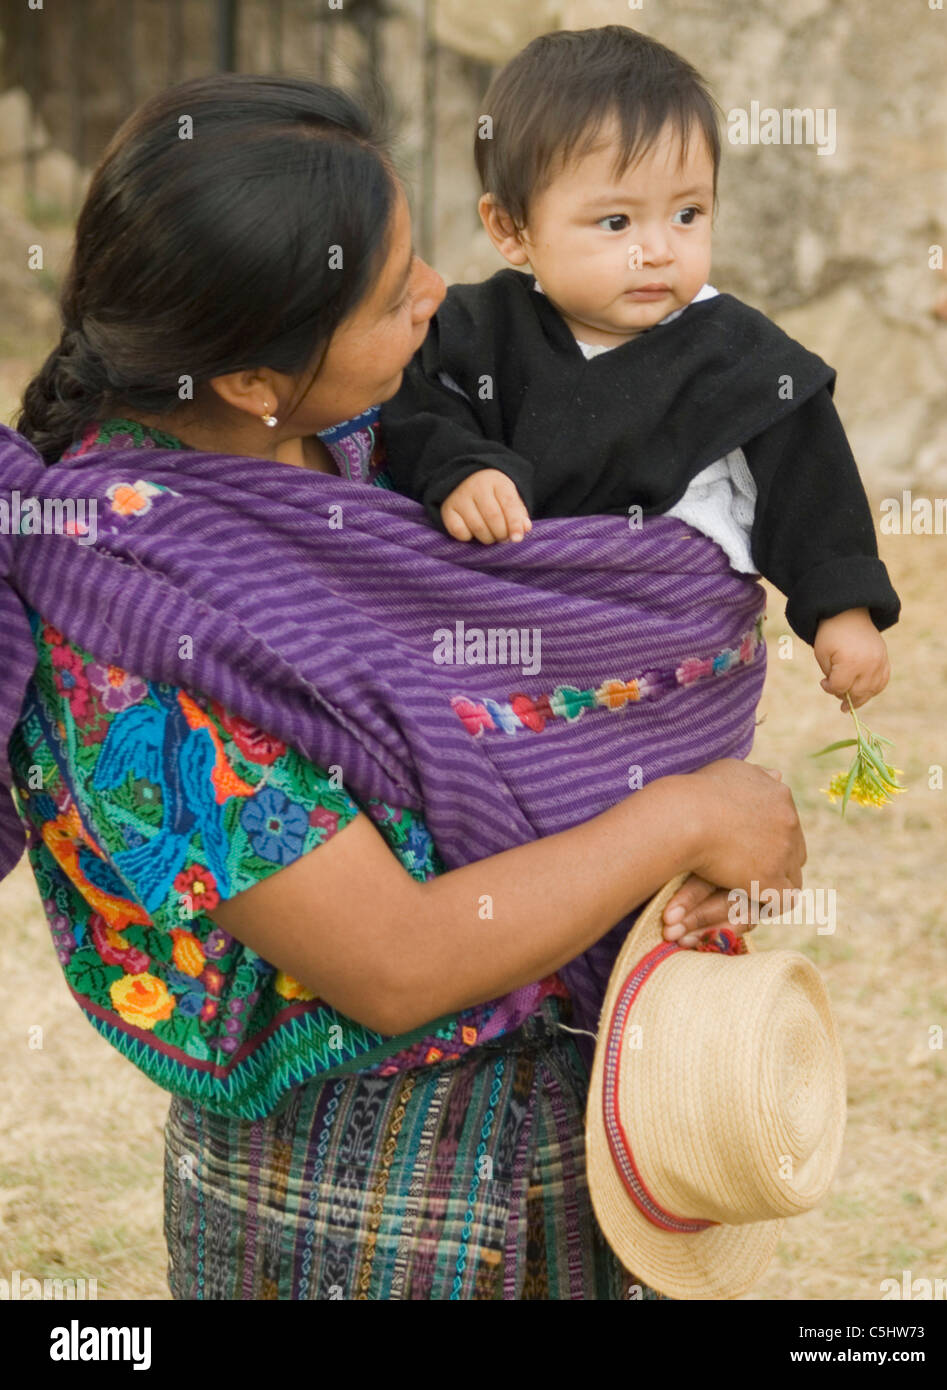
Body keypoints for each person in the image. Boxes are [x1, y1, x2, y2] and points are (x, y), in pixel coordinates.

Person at [1, 73, 805, 1300]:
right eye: (392, 296)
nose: (438, 296)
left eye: (417, 257)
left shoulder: (382, 441)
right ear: (254, 381)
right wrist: (684, 815)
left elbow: (577, 627)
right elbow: (389, 959)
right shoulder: (126, 625)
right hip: (363, 1216)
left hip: (583, 1131)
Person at [380, 26, 900, 717]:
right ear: (511, 230)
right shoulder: (474, 329)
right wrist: (460, 466)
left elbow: (811, 485)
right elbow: (404, 402)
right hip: (514, 656)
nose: (657, 250)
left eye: (687, 214)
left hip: (669, 662)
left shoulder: (737, 353)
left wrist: (842, 609)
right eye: (616, 221)